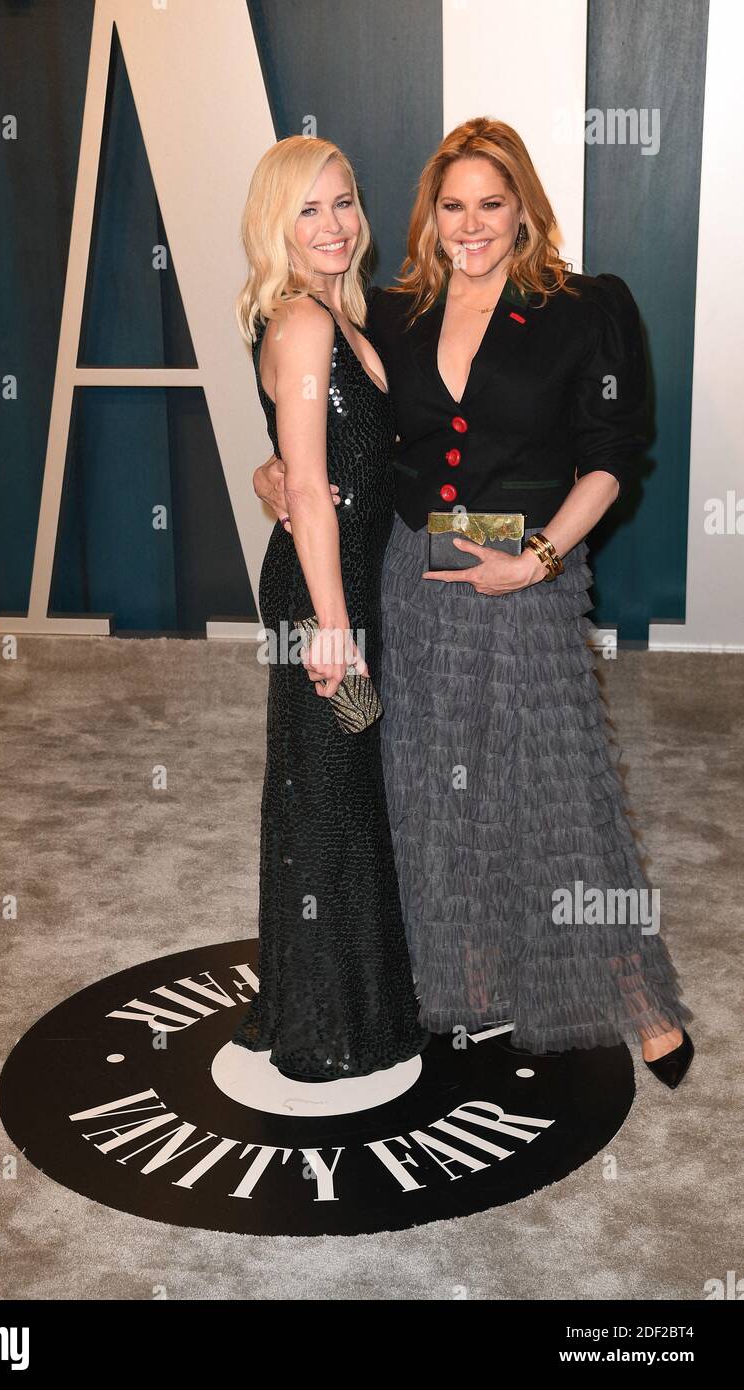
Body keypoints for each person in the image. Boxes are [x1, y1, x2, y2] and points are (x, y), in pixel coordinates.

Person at [253, 117, 694, 1089]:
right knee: (425, 786)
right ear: (427, 216)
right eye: (451, 205)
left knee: (556, 782)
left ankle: (632, 992)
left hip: (516, 555)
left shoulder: (584, 307)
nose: (470, 224)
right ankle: (464, 969)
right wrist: (272, 469)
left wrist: (536, 555)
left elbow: (613, 457)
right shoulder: (395, 308)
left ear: (522, 206)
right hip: (410, 563)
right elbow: (341, 424)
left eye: (489, 203)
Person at [231, 135, 428, 1082]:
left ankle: (356, 998)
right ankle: (325, 1022)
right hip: (323, 596)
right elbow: (308, 490)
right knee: (330, 798)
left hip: (351, 583)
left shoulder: (344, 319)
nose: (334, 224)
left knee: (348, 792)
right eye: (308, 209)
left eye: (344, 202)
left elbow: (327, 471)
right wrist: (332, 625)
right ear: (277, 223)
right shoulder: (304, 326)